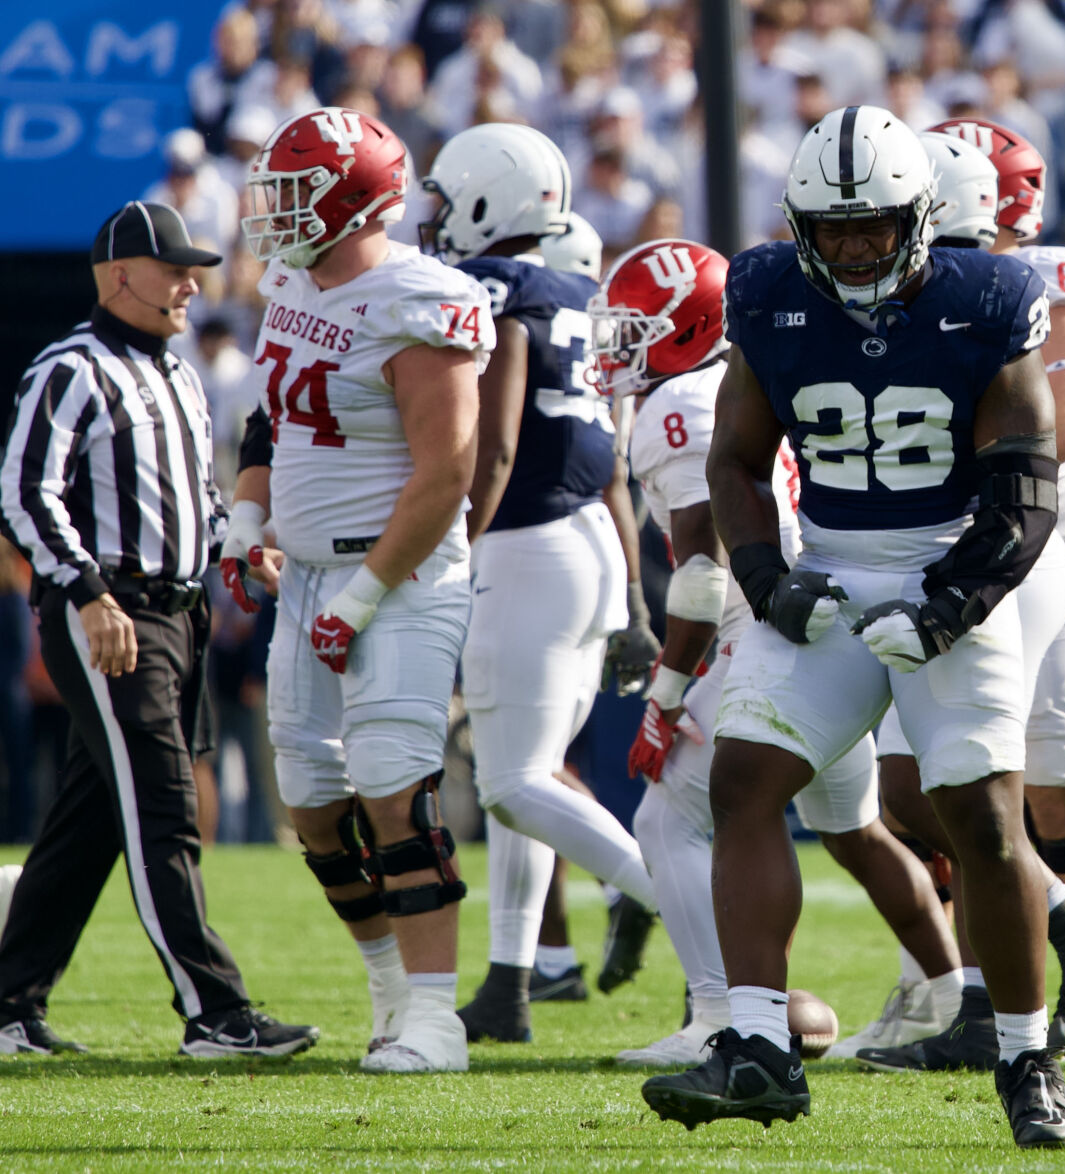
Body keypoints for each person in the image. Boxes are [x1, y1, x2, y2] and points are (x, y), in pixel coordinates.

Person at [639, 105, 1065, 1148]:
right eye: (829, 231)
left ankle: (1026, 1058)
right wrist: (766, 576)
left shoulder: (987, 299)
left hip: (952, 562)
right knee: (743, 781)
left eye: (870, 227)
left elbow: (1025, 489)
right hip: (832, 567)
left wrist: (949, 605)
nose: (849, 250)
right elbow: (735, 462)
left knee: (980, 817)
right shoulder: (770, 294)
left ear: (917, 218)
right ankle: (758, 1048)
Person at [594, 238, 961, 1067]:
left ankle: (717, 1015)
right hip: (822, 623)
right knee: (854, 830)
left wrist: (664, 695)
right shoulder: (739, 376)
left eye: (635, 329)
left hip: (760, 633)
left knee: (667, 817)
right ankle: (947, 994)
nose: (619, 348)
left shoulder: (678, 404)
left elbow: (700, 573)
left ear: (687, 327)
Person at [853, 125, 1065, 1070]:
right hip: (937, 558)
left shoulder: (1048, 276)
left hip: (1046, 548)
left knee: (1051, 791)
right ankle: (978, 993)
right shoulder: (893, 285)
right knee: (930, 787)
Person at [0, 201, 316, 1057]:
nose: (190, 285)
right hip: (112, 613)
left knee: (95, 815)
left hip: (179, 613)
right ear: (117, 276)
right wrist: (87, 593)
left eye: (192, 271)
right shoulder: (69, 368)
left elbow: (193, 502)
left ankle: (8, 1004)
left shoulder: (177, 373)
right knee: (165, 803)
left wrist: (237, 550)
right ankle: (214, 1011)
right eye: (173, 269)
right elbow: (24, 493)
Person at [226, 107, 492, 1074]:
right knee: (309, 800)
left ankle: (436, 1019)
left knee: (393, 788)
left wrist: (361, 598)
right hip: (308, 573)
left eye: (294, 192)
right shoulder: (293, 280)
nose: (274, 210)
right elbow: (274, 421)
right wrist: (247, 521)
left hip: (402, 574)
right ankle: (389, 991)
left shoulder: (420, 299)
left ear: (352, 198)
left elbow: (446, 472)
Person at [417, 122, 661, 1044]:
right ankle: (511, 982)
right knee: (520, 771)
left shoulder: (494, 288)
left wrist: (453, 543)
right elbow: (609, 463)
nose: (437, 217)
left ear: (489, 198)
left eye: (448, 199)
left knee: (514, 781)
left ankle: (672, 900)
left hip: (524, 546)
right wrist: (633, 601)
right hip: (589, 542)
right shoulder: (582, 293)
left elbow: (495, 446)